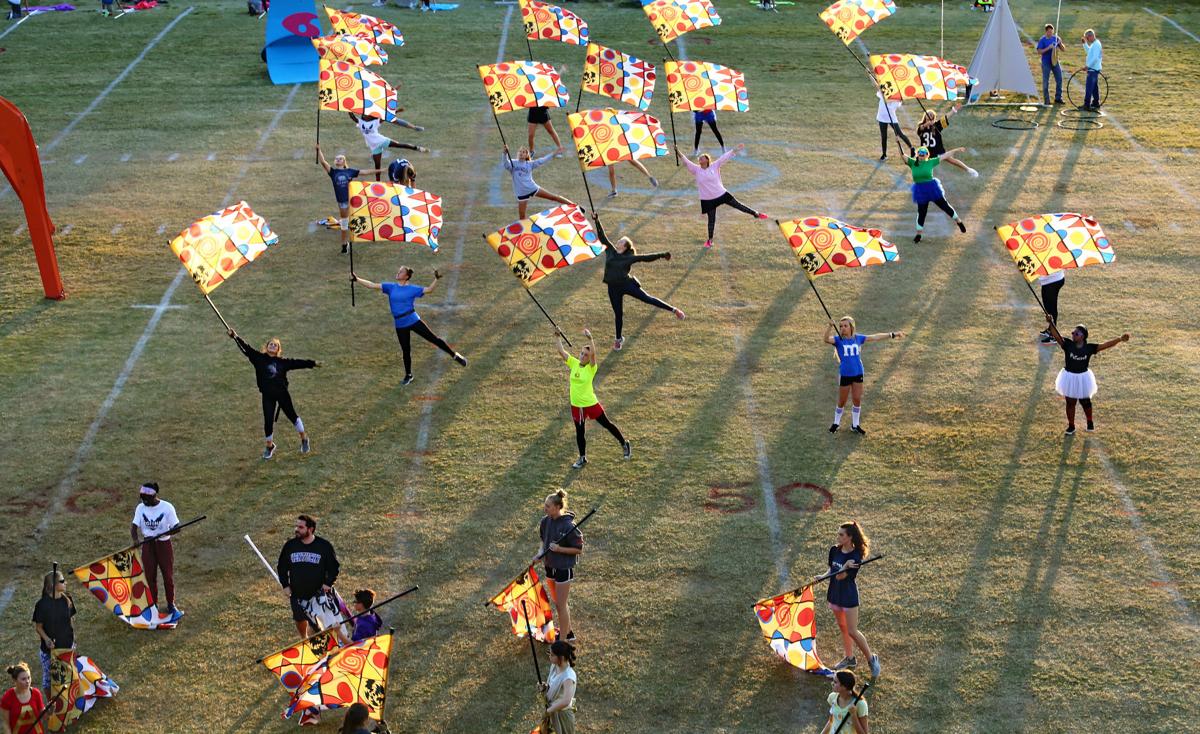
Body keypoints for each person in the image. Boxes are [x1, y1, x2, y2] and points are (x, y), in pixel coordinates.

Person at [351, 267, 467, 385]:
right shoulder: (390, 287)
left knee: (434, 339)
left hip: (413, 320)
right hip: (400, 324)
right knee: (406, 351)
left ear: (406, 276)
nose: (398, 272)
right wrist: (357, 279)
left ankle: (455, 355)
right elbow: (372, 285)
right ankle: (408, 375)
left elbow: (429, 290)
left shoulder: (412, 289)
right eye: (398, 271)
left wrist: (436, 279)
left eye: (401, 272)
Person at [594, 215, 683, 351]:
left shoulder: (629, 257)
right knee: (618, 313)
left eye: (621, 241)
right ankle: (618, 339)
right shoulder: (610, 251)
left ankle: (674, 310)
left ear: (625, 246)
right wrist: (596, 220)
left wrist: (662, 255)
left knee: (647, 299)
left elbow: (646, 257)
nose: (618, 241)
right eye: (619, 240)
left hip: (627, 285)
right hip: (613, 288)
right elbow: (602, 236)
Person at [228, 329, 318, 460]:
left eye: (275, 345)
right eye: (271, 344)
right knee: (268, 421)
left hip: (282, 394)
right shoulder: (259, 359)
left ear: (278, 350)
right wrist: (235, 337)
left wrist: (312, 363)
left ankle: (304, 438)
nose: (273, 346)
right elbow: (247, 349)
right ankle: (269, 446)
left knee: (292, 416)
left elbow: (297, 363)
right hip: (267, 395)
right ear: (266, 347)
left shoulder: (282, 362)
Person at [554, 329, 630, 467]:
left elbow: (594, 354)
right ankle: (582, 458)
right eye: (582, 353)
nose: (583, 356)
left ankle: (624, 444)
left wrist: (591, 339)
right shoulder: (574, 363)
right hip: (576, 405)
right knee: (579, 432)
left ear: (589, 358)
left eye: (586, 355)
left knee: (607, 424)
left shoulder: (591, 368)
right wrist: (557, 336)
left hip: (590, 403)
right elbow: (561, 351)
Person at [1045, 316, 1130, 434]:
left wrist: (1120, 339)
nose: (1073, 333)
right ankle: (1071, 426)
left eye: (1076, 333)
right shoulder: (1067, 345)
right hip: (1069, 377)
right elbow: (1055, 335)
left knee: (1085, 402)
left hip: (1083, 378)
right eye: (1073, 332)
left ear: (1083, 336)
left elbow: (1105, 345)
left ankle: (1090, 422)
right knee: (1070, 403)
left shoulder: (1089, 348)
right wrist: (1051, 322)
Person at [819, 521, 880, 679]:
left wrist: (846, 566)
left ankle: (871, 659)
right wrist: (823, 576)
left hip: (848, 596)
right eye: (838, 533)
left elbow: (840, 576)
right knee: (842, 627)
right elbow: (832, 569)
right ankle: (850, 658)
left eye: (841, 534)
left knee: (852, 630)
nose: (838, 536)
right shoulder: (834, 549)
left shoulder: (855, 557)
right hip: (834, 594)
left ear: (850, 537)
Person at [678, 144, 769, 249]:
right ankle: (710, 240)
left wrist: (735, 150)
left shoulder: (714, 166)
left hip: (721, 194)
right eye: (700, 158)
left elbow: (724, 157)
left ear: (707, 160)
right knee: (711, 220)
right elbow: (686, 161)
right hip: (708, 199)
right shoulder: (696, 169)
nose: (700, 158)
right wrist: (678, 151)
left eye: (702, 157)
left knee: (738, 205)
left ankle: (756, 214)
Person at [823, 317, 903, 435]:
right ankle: (836, 423)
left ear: (851, 327)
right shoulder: (838, 340)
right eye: (840, 326)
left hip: (858, 373)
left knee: (857, 399)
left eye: (845, 326)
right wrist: (830, 326)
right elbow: (825, 339)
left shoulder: (858, 338)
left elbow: (875, 337)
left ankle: (855, 425)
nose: (842, 328)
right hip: (845, 375)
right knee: (842, 401)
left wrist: (892, 334)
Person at [277, 514, 346, 640]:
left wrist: (328, 583)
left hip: (318, 594)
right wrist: (285, 585)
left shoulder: (324, 546)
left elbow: (334, 567)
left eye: (301, 527)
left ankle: (327, 641)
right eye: (296, 526)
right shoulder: (290, 546)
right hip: (297, 593)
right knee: (299, 618)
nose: (296, 529)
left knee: (321, 621)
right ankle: (304, 638)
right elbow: (281, 567)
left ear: (310, 529)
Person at [316, 145, 385, 254]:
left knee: (355, 220)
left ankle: (370, 235)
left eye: (340, 158)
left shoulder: (350, 171)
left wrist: (380, 170)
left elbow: (365, 172)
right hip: (342, 203)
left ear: (344, 162)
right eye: (336, 158)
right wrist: (319, 150)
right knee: (345, 224)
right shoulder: (333, 172)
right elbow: (323, 162)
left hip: (353, 200)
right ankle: (344, 245)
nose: (338, 159)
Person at [535, 491, 584, 642]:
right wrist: (540, 554)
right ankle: (568, 632)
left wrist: (560, 549)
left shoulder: (569, 526)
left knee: (561, 605)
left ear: (557, 507)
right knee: (558, 603)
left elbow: (579, 549)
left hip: (563, 569)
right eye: (545, 505)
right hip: (550, 567)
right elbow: (544, 541)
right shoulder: (545, 521)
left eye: (548, 506)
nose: (545, 509)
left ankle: (562, 641)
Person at [130, 482, 181, 615]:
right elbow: (134, 527)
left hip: (164, 545)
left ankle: (171, 604)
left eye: (147, 500)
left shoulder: (167, 507)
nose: (144, 502)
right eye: (143, 499)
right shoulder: (140, 508)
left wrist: (166, 533)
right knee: (149, 576)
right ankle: (153, 605)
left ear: (154, 496)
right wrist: (135, 540)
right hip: (148, 545)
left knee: (167, 576)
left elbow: (177, 527)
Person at [903, 146, 967, 243]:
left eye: (923, 155)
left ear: (927, 155)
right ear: (917, 155)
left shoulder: (931, 162)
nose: (921, 156)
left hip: (932, 189)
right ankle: (918, 234)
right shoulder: (912, 163)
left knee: (945, 206)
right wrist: (897, 142)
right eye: (920, 154)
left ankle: (959, 222)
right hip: (920, 191)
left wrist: (956, 150)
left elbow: (945, 155)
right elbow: (902, 155)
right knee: (921, 213)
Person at [348, 112, 428, 182]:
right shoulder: (360, 121)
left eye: (367, 114)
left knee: (399, 145)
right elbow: (352, 117)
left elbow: (385, 117)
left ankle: (418, 148)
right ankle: (378, 182)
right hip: (374, 147)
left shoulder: (376, 121)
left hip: (381, 141)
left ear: (371, 117)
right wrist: (349, 109)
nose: (364, 115)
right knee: (377, 166)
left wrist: (396, 111)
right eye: (364, 114)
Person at [502, 145, 574, 219]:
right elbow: (506, 165)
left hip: (532, 188)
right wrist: (505, 154)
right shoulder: (513, 163)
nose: (521, 153)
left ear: (527, 155)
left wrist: (554, 153)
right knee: (522, 217)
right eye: (520, 151)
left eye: (523, 152)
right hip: (521, 194)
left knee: (553, 197)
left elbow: (542, 160)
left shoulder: (530, 164)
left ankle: (574, 206)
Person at [31, 572, 75, 692]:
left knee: (67, 675)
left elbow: (70, 620)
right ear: (53, 585)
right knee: (49, 679)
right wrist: (47, 639)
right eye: (62, 581)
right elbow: (38, 627)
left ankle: (66, 702)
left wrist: (72, 640)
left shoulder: (68, 599)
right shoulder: (42, 605)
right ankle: (52, 706)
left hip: (67, 646)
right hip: (50, 651)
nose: (65, 583)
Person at [914, 107, 978, 177]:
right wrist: (928, 124)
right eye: (928, 114)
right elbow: (920, 128)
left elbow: (945, 118)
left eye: (931, 115)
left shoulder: (937, 125)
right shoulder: (921, 126)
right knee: (922, 165)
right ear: (925, 117)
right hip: (926, 152)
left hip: (938, 150)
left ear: (934, 118)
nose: (930, 115)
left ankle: (969, 170)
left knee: (952, 160)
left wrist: (953, 111)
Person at [538, 640, 578, 734]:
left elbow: (566, 701)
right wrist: (545, 688)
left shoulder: (568, 677)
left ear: (561, 657)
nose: (549, 656)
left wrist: (548, 711)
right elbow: (553, 685)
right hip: (552, 711)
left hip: (562, 716)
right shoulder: (555, 666)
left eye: (552, 655)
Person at [2, 662, 45, 734]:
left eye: (29, 677)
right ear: (14, 680)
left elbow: (43, 716)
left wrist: (50, 711)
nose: (27, 681)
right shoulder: (7, 698)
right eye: (23, 679)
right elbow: (6, 724)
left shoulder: (36, 693)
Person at [875, 90, 913, 161]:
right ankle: (884, 154)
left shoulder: (897, 101)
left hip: (892, 118)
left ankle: (911, 148)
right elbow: (877, 87)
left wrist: (887, 98)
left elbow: (889, 103)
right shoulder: (884, 94)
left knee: (900, 134)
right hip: (881, 118)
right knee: (884, 136)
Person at [1035, 24, 1066, 105]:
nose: (1050, 33)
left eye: (1052, 32)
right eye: (1049, 32)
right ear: (1046, 32)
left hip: (1055, 61)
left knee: (1059, 79)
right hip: (1046, 63)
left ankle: (1058, 98)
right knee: (1046, 82)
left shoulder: (1055, 38)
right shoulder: (1042, 40)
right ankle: (1047, 100)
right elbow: (1039, 51)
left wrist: (1060, 42)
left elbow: (1063, 49)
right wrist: (1049, 47)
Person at [1038, 272, 1065, 344]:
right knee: (1048, 307)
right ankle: (1050, 329)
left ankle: (1054, 335)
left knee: (1051, 308)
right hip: (1052, 280)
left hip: (1052, 281)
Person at [1081, 29, 1103, 111]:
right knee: (1094, 87)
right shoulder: (1095, 44)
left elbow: (1095, 58)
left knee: (1089, 87)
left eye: (1087, 38)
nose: (1087, 39)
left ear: (1091, 36)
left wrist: (1087, 66)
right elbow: (1089, 52)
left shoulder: (1096, 44)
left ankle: (1086, 105)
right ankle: (1096, 102)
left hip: (1093, 69)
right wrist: (1084, 44)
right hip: (1093, 69)